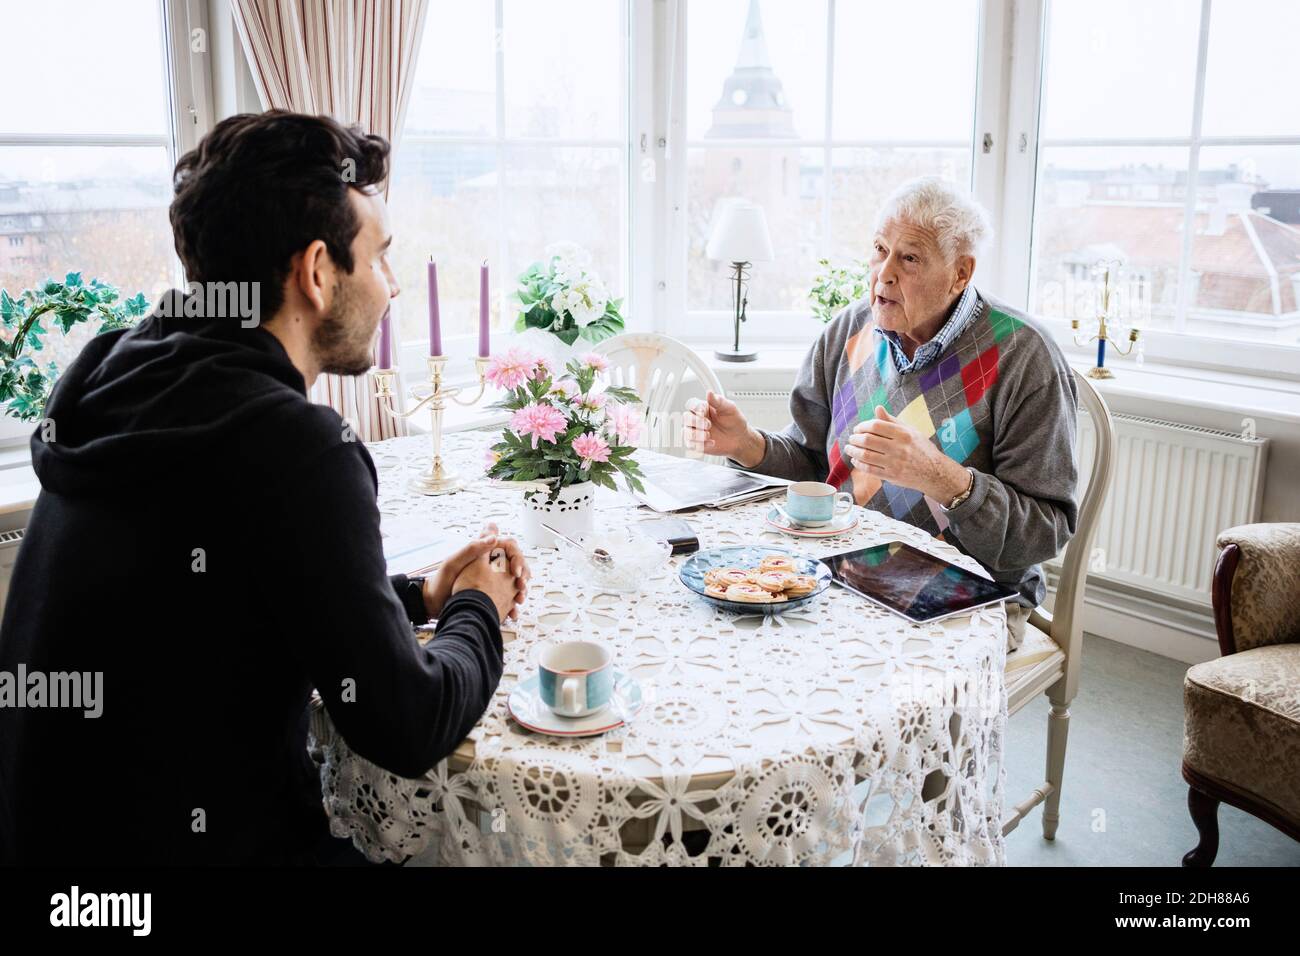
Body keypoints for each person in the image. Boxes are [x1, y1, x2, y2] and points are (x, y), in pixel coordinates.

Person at [0, 111, 529, 865]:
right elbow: (409, 728)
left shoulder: (125, 374)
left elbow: (241, 595)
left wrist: (417, 597)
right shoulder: (295, 448)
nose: (393, 286)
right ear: (317, 272)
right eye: (379, 258)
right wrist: (480, 603)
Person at [685, 176, 1078, 649]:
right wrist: (749, 447)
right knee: (731, 627)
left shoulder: (1023, 356)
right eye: (879, 249)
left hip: (970, 585)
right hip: (842, 561)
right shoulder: (849, 330)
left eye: (909, 258)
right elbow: (813, 465)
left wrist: (943, 478)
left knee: (860, 671)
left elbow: (1045, 532)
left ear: (961, 273)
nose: (883, 274)